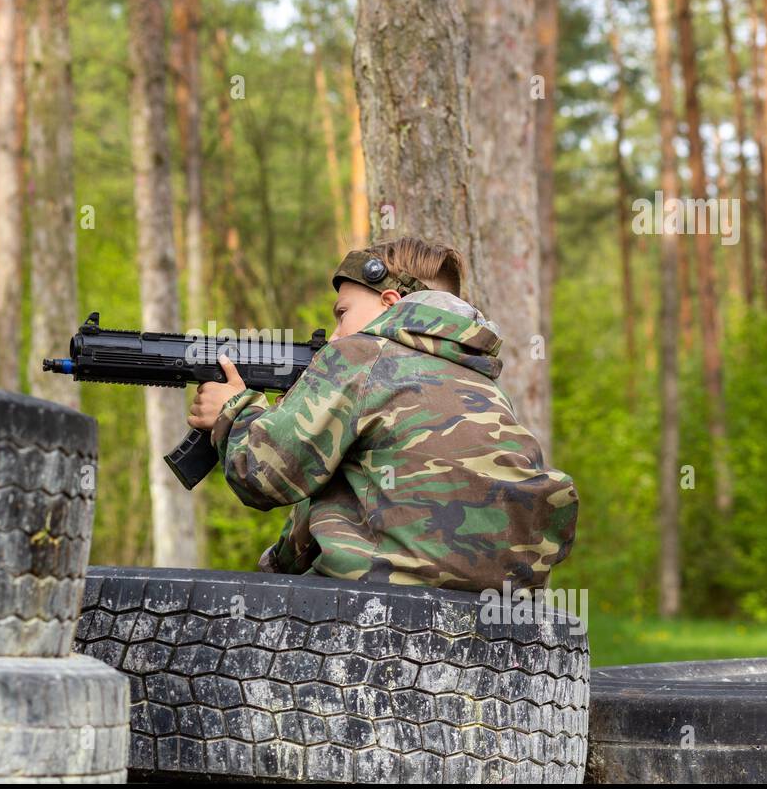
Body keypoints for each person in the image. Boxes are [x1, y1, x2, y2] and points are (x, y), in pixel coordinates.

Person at [186, 236, 578, 592]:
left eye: (342, 314)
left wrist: (233, 409)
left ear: (389, 303)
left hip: (376, 602)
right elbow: (354, 493)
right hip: (499, 609)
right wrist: (278, 563)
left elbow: (262, 474)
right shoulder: (487, 388)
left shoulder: (360, 353)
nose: (335, 335)